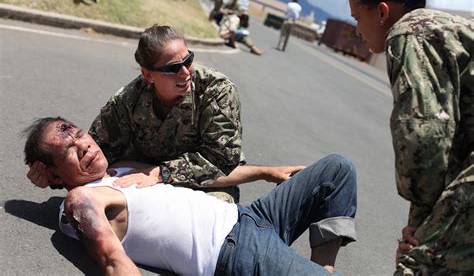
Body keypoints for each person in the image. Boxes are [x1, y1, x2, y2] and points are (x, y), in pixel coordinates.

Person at [23, 116, 358, 275]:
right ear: (51, 173)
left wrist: (265, 171)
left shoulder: (122, 168)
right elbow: (114, 262)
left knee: (337, 169)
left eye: (81, 135)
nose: (84, 145)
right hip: (231, 252)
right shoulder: (82, 200)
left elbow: (199, 175)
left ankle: (321, 268)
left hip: (253, 217)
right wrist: (53, 182)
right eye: (69, 149)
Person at [349, 0, 474, 275]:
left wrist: (421, 233)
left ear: (381, 12)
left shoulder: (408, 34)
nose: (357, 30)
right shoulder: (446, 27)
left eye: (357, 17)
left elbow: (424, 138)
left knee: (421, 267)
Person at [28, 25, 246, 203]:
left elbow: (222, 161)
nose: (185, 72)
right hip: (143, 177)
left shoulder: (217, 91)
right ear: (148, 75)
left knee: (212, 220)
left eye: (188, 60)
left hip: (206, 183)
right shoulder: (129, 99)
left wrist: (162, 173)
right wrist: (55, 175)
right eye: (172, 68)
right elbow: (98, 153)